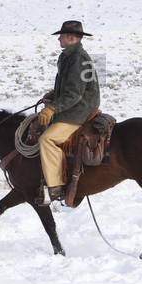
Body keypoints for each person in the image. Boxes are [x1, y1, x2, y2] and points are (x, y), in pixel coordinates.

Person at [35, 19, 100, 206]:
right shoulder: (71, 56)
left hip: (79, 110)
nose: (59, 39)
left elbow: (74, 94)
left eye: (61, 36)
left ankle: (55, 187)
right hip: (76, 105)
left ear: (71, 38)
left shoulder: (77, 59)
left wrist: (53, 108)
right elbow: (71, 87)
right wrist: (55, 94)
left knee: (47, 139)